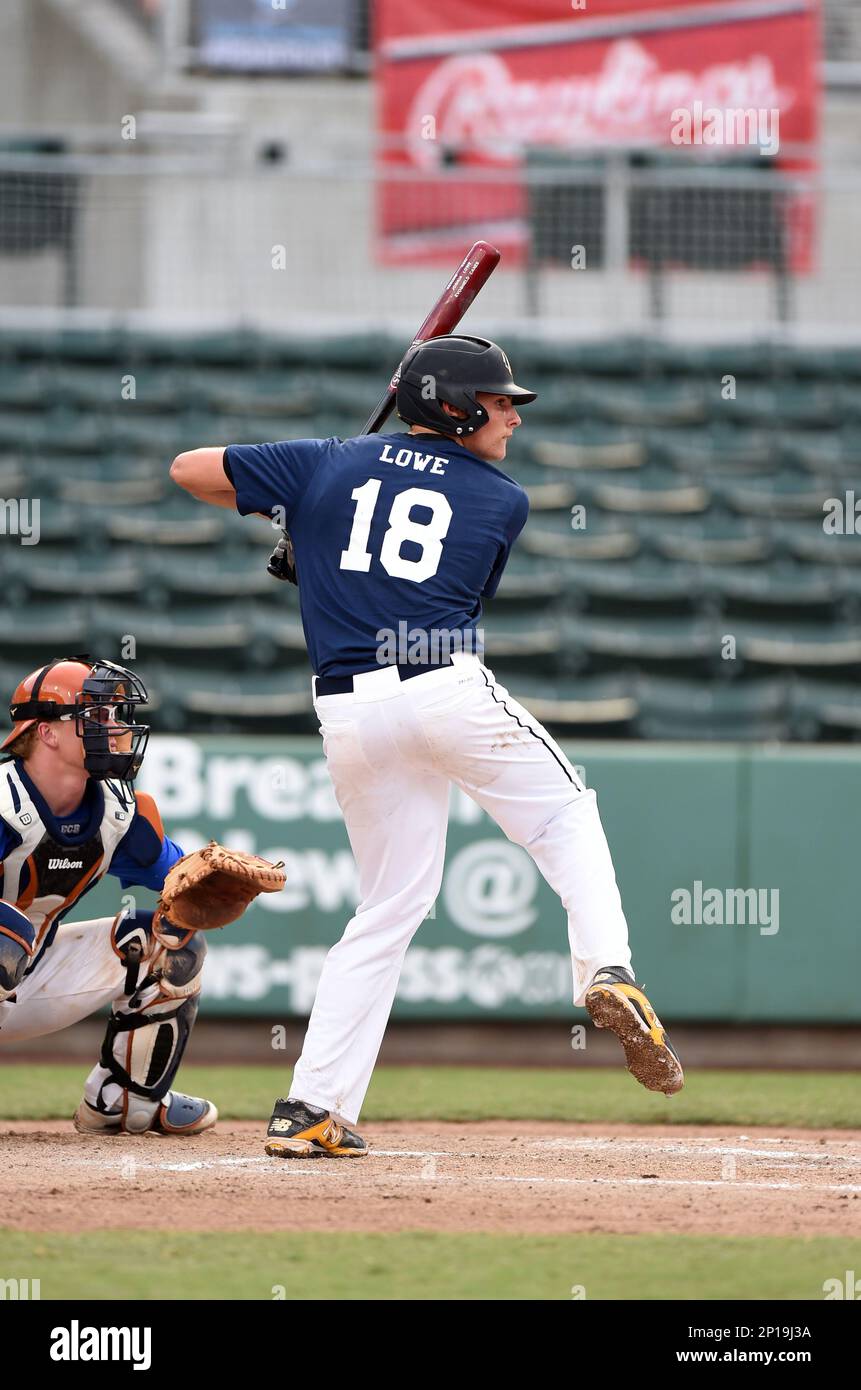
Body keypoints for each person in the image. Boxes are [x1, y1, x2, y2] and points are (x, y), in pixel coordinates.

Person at [171, 334, 684, 1159]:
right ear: (451, 405)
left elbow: (188, 469)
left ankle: (309, 1107)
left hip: (347, 713)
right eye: (499, 401)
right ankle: (606, 971)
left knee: (383, 910)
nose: (512, 416)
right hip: (442, 685)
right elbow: (443, 586)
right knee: (564, 814)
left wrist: (301, 512)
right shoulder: (501, 499)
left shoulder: (325, 460)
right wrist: (316, 525)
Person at [0, 656, 217, 1134]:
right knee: (6, 931)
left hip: (28, 977)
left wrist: (209, 883)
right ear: (48, 733)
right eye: (96, 716)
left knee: (168, 942)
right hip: (8, 955)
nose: (115, 728)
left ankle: (123, 1101)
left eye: (116, 715)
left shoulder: (118, 811)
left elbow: (179, 879)